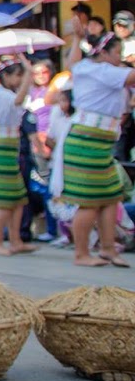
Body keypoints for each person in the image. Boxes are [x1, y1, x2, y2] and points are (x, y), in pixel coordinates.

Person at [63, 32, 135, 267]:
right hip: (88, 140)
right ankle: (81, 254)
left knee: (110, 196)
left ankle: (107, 249)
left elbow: (70, 63)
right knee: (90, 200)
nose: (119, 57)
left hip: (98, 139)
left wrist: (76, 38)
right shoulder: (104, 71)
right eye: (117, 53)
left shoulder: (84, 67)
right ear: (103, 53)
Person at [0, 59, 35, 257]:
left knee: (18, 198)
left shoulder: (6, 93)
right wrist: (29, 74)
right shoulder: (1, 94)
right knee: (5, 200)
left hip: (9, 148)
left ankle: (16, 240)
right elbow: (19, 100)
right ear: (5, 77)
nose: (19, 79)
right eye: (17, 75)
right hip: (0, 149)